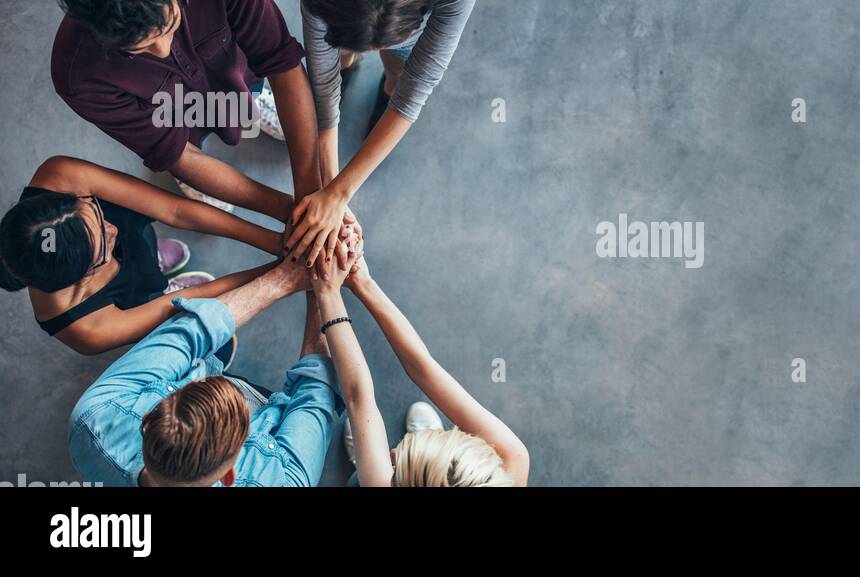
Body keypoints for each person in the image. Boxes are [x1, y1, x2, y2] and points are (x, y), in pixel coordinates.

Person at [68, 257, 347, 487]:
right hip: (267, 404)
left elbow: (189, 333)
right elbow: (314, 393)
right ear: (229, 476)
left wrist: (286, 278)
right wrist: (323, 289)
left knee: (207, 343)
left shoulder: (95, 418)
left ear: (148, 420)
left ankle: (214, 360)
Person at [52, 0, 324, 218]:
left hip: (237, 74)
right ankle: (189, 181)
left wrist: (311, 195)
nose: (162, 50)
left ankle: (252, 101)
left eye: (169, 27)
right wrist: (289, 211)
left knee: (245, 92)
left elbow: (280, 61)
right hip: (174, 123)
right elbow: (180, 153)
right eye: (140, 49)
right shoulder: (79, 77)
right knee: (181, 149)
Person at [0, 156, 287, 355]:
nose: (113, 229)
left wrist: (278, 242)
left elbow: (175, 211)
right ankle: (159, 285)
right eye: (103, 250)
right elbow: (197, 294)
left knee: (144, 243)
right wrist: (284, 268)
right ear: (81, 279)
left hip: (137, 243)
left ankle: (151, 263)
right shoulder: (84, 328)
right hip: (130, 299)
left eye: (97, 213)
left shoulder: (60, 175)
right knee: (166, 300)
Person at [311, 240, 528, 486]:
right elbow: (422, 368)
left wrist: (327, 292)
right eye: (398, 460)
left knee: (361, 479)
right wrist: (361, 280)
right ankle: (422, 454)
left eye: (397, 477)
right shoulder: (512, 460)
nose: (392, 453)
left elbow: (357, 397)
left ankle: (364, 464)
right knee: (375, 460)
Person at [290, 0, 475, 266]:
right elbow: (322, 85)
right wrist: (331, 187)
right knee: (339, 56)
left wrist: (338, 194)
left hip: (400, 41)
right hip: (346, 22)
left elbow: (414, 92)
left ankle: (387, 85)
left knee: (398, 72)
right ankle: (347, 61)